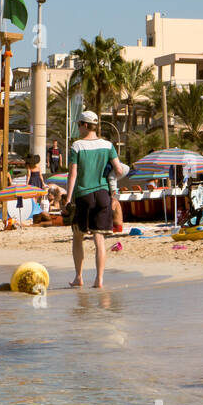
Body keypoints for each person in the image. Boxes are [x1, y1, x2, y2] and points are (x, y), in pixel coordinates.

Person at [65, 111, 130, 289]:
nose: (78, 128)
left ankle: (79, 277)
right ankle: (99, 280)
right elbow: (118, 169)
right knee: (99, 238)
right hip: (103, 195)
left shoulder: (77, 146)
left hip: (84, 195)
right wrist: (110, 181)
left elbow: (73, 174)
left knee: (78, 236)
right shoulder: (108, 145)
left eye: (79, 124)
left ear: (85, 125)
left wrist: (68, 198)